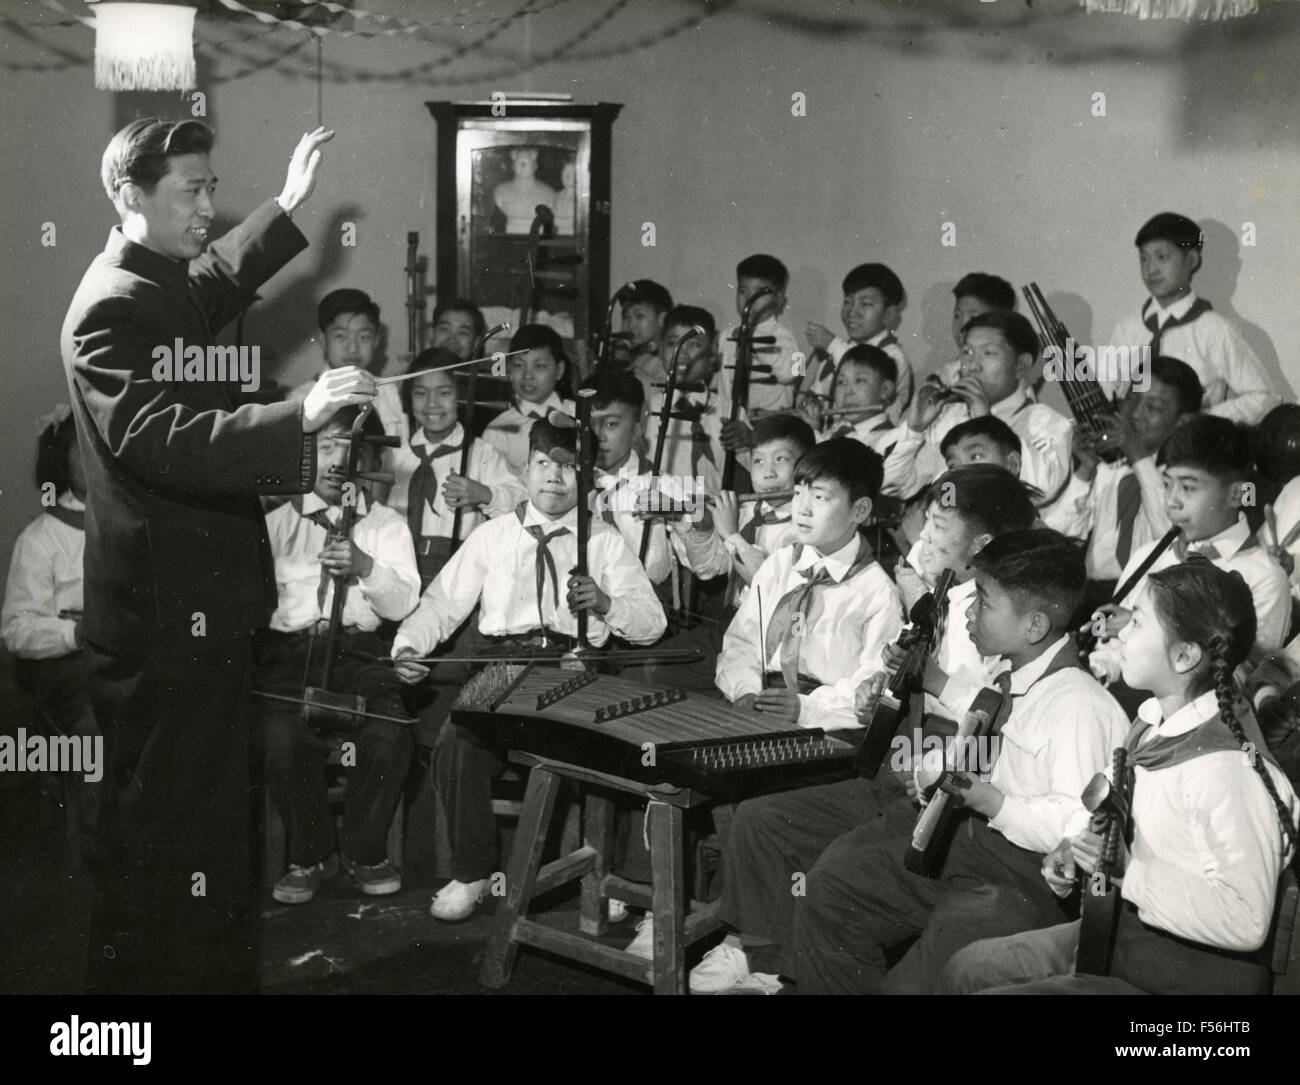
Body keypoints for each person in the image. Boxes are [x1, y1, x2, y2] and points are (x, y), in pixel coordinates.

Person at [61, 117, 372, 994]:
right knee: (163, 841)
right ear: (130, 196)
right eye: (192, 190)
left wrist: (286, 202)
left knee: (204, 836)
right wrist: (297, 415)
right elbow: (162, 436)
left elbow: (209, 280)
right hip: (162, 628)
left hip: (198, 614)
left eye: (210, 186)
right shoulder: (109, 306)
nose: (208, 205)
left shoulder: (147, 281)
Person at [690, 464, 1037, 994]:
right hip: (900, 762)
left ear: (983, 542)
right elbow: (897, 687)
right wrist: (880, 691)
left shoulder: (997, 614)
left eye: (940, 527)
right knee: (762, 820)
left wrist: (932, 681)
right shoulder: (940, 596)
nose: (924, 536)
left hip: (942, 783)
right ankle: (766, 954)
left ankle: (809, 973)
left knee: (837, 867)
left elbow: (997, 714)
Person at [789, 529, 1130, 995]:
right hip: (971, 849)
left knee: (923, 982)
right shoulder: (1013, 680)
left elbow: (1076, 828)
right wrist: (935, 769)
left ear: (1033, 626)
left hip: (1022, 883)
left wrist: (990, 801)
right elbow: (989, 744)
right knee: (826, 891)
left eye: (984, 602)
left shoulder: (1077, 704)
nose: (969, 611)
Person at [940, 560, 1298, 995]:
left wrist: (1128, 872)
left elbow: (1246, 919)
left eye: (1139, 622)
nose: (1121, 632)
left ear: (1184, 656)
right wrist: (1074, 849)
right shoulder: (1152, 721)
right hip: (1122, 935)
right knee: (966, 971)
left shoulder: (1226, 771)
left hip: (1183, 978)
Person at [391, 419, 666, 922]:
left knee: (614, 755)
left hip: (575, 665)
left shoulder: (603, 540)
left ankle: (614, 877)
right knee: (457, 741)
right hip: (503, 665)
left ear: (587, 477)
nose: (555, 479)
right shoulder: (493, 535)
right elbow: (441, 604)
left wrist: (605, 603)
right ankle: (473, 870)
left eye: (568, 468)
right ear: (526, 468)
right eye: (543, 465)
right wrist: (409, 646)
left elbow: (652, 625)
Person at [256, 407, 419, 904]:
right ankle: (312, 853)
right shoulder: (276, 524)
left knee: (390, 736)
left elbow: (403, 602)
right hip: (292, 656)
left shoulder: (387, 524)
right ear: (307, 455)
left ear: (369, 459)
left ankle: (364, 851)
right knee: (281, 738)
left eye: (351, 451)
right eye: (325, 446)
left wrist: (366, 565)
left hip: (361, 658)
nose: (337, 462)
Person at [1089, 414, 1292, 689]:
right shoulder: (1149, 555)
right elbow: (1108, 648)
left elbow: (1246, 677)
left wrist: (1141, 628)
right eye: (1167, 484)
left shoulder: (1264, 577)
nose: (1172, 501)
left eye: (1187, 487)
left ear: (1236, 494)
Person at [2, 407, 99, 856]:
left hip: (125, 656)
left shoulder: (130, 525)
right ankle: (104, 850)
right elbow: (16, 630)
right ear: (61, 464)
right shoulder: (41, 539)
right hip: (69, 669)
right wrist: (73, 634)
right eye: (83, 453)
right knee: (98, 729)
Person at [1103, 212, 1278, 425]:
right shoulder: (1126, 329)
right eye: (1144, 259)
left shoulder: (1216, 329)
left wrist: (1202, 419)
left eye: (1162, 257)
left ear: (1191, 260)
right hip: (1132, 452)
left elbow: (1265, 397)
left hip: (1189, 450)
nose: (1151, 269)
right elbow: (1109, 390)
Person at [884, 311, 1073, 509]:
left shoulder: (1045, 422)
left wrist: (985, 424)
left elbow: (1041, 489)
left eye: (988, 353)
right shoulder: (949, 417)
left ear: (1021, 364)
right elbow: (895, 485)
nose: (972, 366)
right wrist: (913, 430)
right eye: (967, 352)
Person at [1050, 357, 1201, 593]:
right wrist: (1084, 470)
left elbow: (1169, 540)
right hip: (1091, 594)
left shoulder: (1187, 481)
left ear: (1183, 422)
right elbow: (1057, 538)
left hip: (1148, 598)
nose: (1136, 414)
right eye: (1133, 399)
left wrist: (1135, 453)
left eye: (1153, 408)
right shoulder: (1109, 469)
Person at [386, 348, 526, 590]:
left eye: (444, 393)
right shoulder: (396, 456)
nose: (432, 404)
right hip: (400, 570)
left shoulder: (482, 453)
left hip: (460, 572)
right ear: (409, 398)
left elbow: (522, 502)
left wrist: (485, 494)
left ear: (462, 395)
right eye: (420, 393)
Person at [583, 370, 674, 590]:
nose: (599, 437)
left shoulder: (663, 485)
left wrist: (682, 514)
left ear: (637, 426)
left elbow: (707, 566)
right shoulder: (570, 484)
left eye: (611, 424)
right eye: (590, 424)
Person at [802, 262, 912, 423]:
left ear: (888, 314)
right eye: (847, 302)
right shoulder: (836, 353)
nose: (852, 311)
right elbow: (816, 395)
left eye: (865, 304)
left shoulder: (893, 356)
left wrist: (832, 345)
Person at [290, 288, 404, 442]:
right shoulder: (301, 399)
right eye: (341, 336)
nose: (353, 348)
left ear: (376, 341)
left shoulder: (389, 392)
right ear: (323, 340)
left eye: (364, 337)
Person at [642, 305, 725, 499]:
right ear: (661, 349)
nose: (682, 353)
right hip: (662, 515)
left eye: (694, 345)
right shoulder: (647, 410)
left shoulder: (729, 410)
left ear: (712, 354)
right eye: (673, 343)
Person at [482, 324, 575, 478]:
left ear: (559, 370)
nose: (527, 376)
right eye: (519, 365)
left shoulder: (580, 414)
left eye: (539, 366)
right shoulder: (498, 430)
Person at [716, 254, 801, 417]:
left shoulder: (784, 336)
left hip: (767, 422)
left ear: (779, 298)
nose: (749, 299)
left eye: (759, 293)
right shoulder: (728, 334)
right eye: (742, 291)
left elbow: (794, 372)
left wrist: (754, 341)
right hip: (730, 419)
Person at [815, 344, 899, 458]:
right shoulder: (831, 434)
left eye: (860, 380)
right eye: (841, 382)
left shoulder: (891, 443)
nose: (848, 390)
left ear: (885, 390)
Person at [935, 272, 1017, 387]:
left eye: (974, 318)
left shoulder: (1007, 382)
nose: (962, 326)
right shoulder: (943, 375)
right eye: (957, 316)